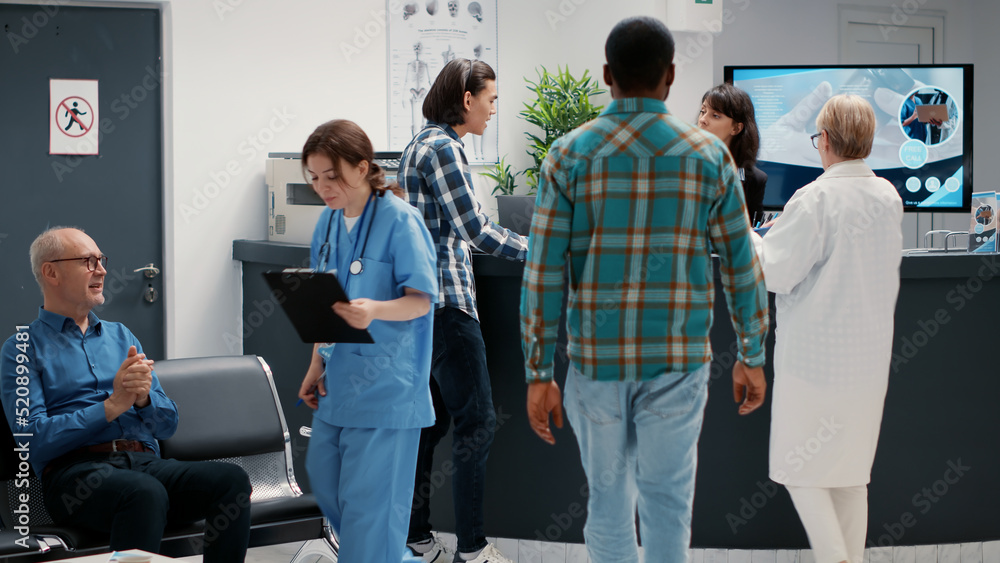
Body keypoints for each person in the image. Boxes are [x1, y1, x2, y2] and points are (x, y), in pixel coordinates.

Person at [520, 17, 769, 563]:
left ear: (607, 73)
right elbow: (740, 265)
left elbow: (543, 272)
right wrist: (752, 354)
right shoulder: (709, 158)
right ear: (672, 76)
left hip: (595, 363)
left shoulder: (568, 155)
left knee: (607, 504)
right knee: (668, 504)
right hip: (677, 363)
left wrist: (538, 372)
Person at [0, 227, 252, 562]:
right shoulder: (21, 349)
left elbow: (167, 426)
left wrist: (145, 399)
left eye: (101, 260)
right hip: (77, 478)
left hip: (145, 464)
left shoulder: (121, 336)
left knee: (230, 480)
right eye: (88, 261)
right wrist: (112, 406)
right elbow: (32, 439)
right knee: (143, 494)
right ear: (51, 272)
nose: (101, 270)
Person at [751, 95, 903, 563]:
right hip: (868, 360)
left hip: (814, 363)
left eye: (817, 138)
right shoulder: (887, 196)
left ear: (829, 141)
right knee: (850, 473)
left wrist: (750, 233)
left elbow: (774, 272)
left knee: (801, 469)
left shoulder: (815, 197)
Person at [399, 57, 527, 563]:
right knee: (477, 423)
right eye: (491, 99)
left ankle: (417, 537)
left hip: (423, 306)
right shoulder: (445, 148)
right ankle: (472, 550)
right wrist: (536, 248)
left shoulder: (419, 143)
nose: (495, 110)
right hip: (449, 305)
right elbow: (475, 230)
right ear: (467, 99)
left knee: (429, 426)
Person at [296, 119, 439, 563]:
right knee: (325, 480)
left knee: (370, 513)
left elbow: (420, 302)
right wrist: (316, 363)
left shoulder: (401, 221)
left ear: (362, 168)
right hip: (339, 383)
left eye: (331, 176)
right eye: (314, 178)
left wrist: (375, 308)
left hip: (388, 390)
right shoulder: (327, 223)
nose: (322, 188)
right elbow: (326, 301)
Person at [699, 83, 768, 223]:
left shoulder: (754, 179)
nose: (702, 120)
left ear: (736, 128)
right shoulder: (685, 164)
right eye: (703, 111)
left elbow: (753, 231)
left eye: (715, 115)